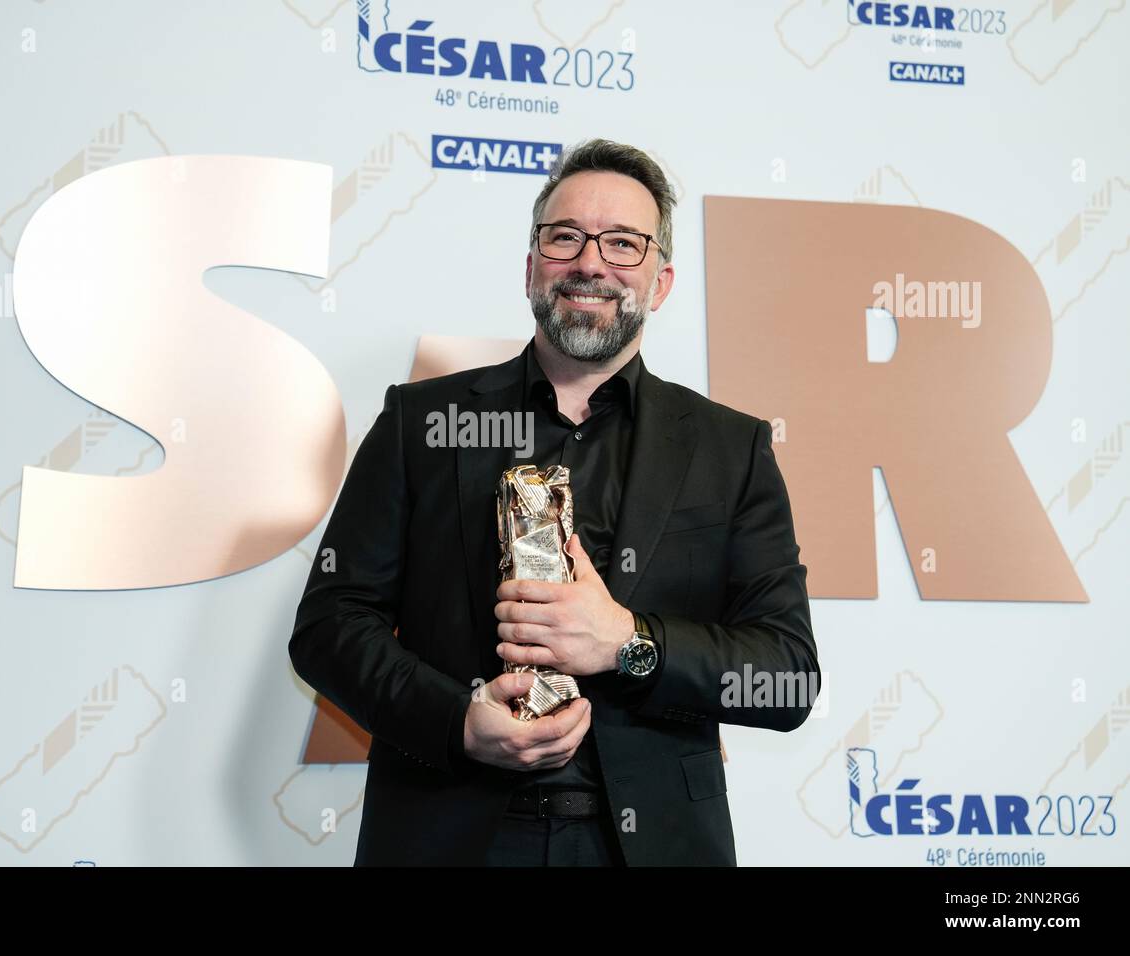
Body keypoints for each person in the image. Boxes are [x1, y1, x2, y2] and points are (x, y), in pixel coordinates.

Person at [289, 138, 819, 866]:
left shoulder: (731, 450)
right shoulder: (422, 425)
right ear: (532, 266)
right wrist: (459, 722)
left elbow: (785, 677)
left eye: (623, 244)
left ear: (660, 282)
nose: (591, 263)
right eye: (564, 237)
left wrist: (629, 644)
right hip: (448, 838)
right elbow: (329, 626)